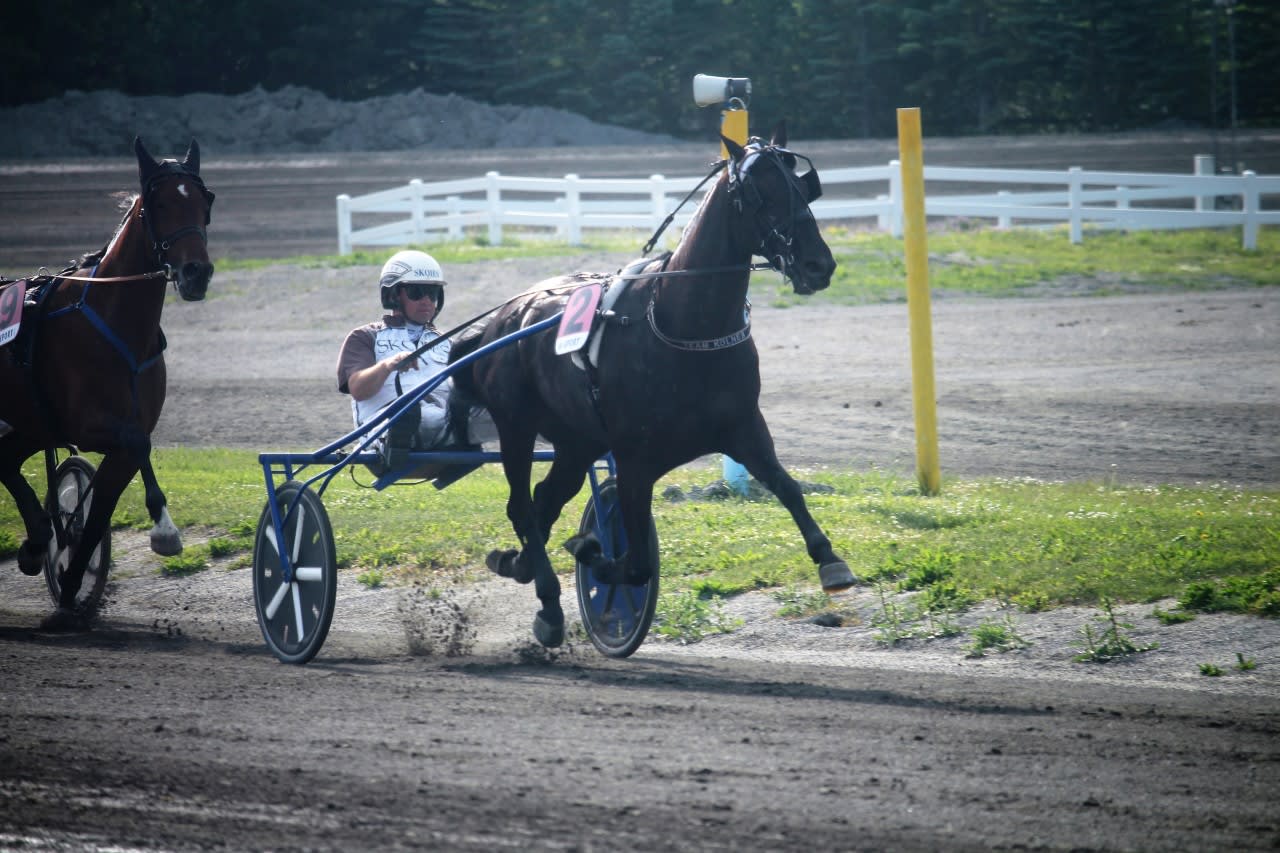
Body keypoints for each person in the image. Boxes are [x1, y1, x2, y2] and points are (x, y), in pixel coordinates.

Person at [336, 249, 488, 471]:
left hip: (444, 428)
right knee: (410, 412)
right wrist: (388, 365)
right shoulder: (365, 337)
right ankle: (408, 433)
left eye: (433, 293)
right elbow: (358, 388)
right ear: (394, 295)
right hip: (384, 434)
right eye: (417, 292)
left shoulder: (447, 343)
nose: (427, 300)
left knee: (501, 407)